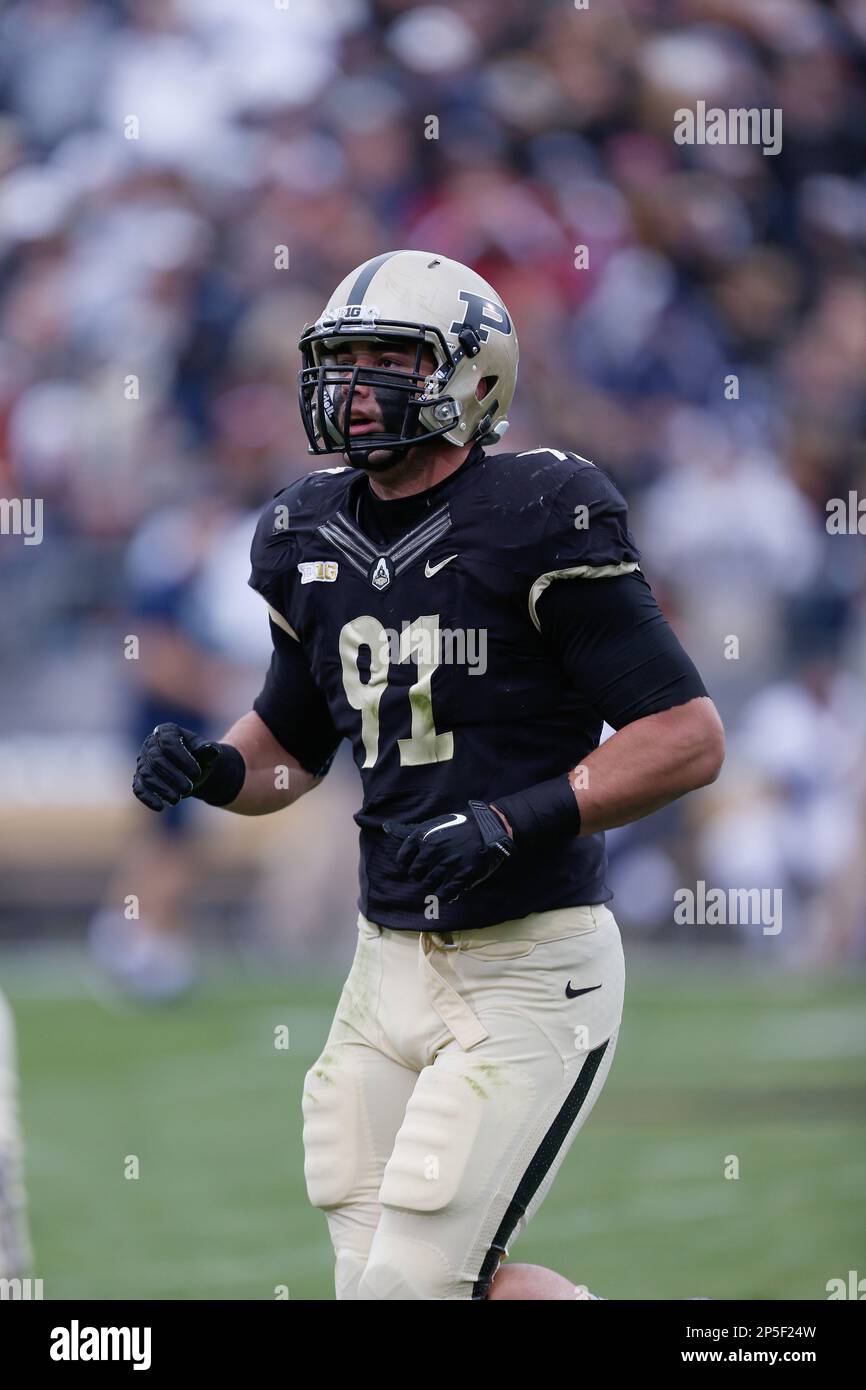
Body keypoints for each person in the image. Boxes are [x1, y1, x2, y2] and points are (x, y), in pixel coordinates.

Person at [131, 250, 725, 1300]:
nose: (356, 387)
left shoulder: (544, 507)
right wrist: (218, 769)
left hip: (526, 966)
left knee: (408, 1287)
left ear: (472, 375)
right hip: (381, 969)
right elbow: (290, 750)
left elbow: (682, 734)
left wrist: (515, 819)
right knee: (390, 1283)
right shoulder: (302, 530)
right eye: (340, 360)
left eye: (388, 359)